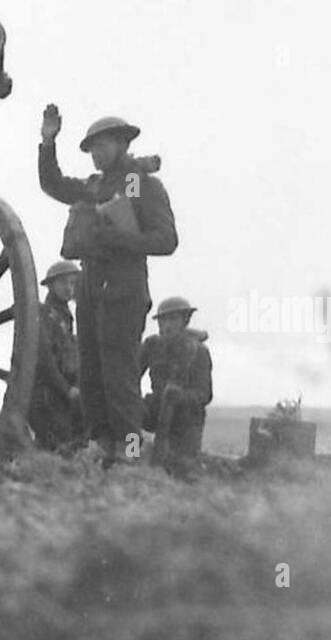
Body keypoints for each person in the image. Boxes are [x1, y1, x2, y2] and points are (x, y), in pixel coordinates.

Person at [37, 106, 178, 466]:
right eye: (91, 148)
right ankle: (100, 444)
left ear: (121, 144)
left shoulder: (141, 183)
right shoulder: (94, 186)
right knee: (92, 373)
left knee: (120, 376)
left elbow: (166, 240)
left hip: (124, 287)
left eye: (101, 146)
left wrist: (119, 238)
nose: (95, 154)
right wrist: (48, 142)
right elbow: (53, 185)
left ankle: (129, 453)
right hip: (90, 287)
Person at [139, 296, 212, 473]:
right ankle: (131, 454)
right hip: (157, 407)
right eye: (163, 320)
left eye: (173, 319)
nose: (167, 325)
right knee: (129, 416)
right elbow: (131, 375)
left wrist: (181, 396)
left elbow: (205, 394)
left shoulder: (198, 352)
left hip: (186, 417)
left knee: (183, 469)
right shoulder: (152, 345)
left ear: (185, 321)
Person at [28, 260, 85, 451]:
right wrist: (67, 390)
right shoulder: (45, 314)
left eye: (72, 284)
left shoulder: (66, 317)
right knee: (58, 446)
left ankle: (131, 454)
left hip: (62, 392)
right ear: (51, 285)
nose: (69, 288)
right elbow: (45, 360)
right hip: (47, 394)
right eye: (64, 283)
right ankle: (130, 455)